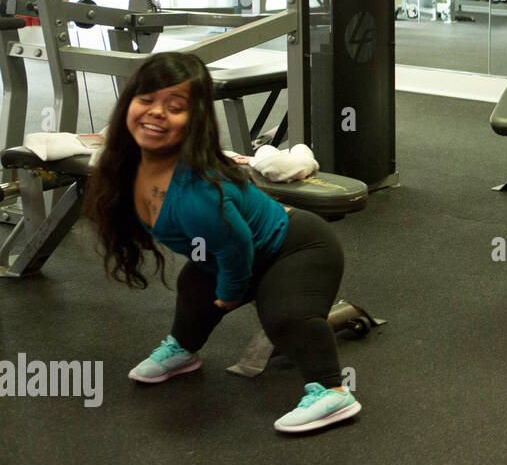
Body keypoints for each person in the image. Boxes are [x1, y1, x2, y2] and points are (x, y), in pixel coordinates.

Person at [85, 52, 360, 433]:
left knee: (283, 315)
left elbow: (236, 248)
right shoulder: (127, 166)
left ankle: (332, 391)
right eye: (146, 99)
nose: (156, 112)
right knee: (193, 286)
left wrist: (231, 292)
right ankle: (182, 351)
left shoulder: (199, 194)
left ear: (194, 120)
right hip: (239, 249)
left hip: (299, 247)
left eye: (175, 106)